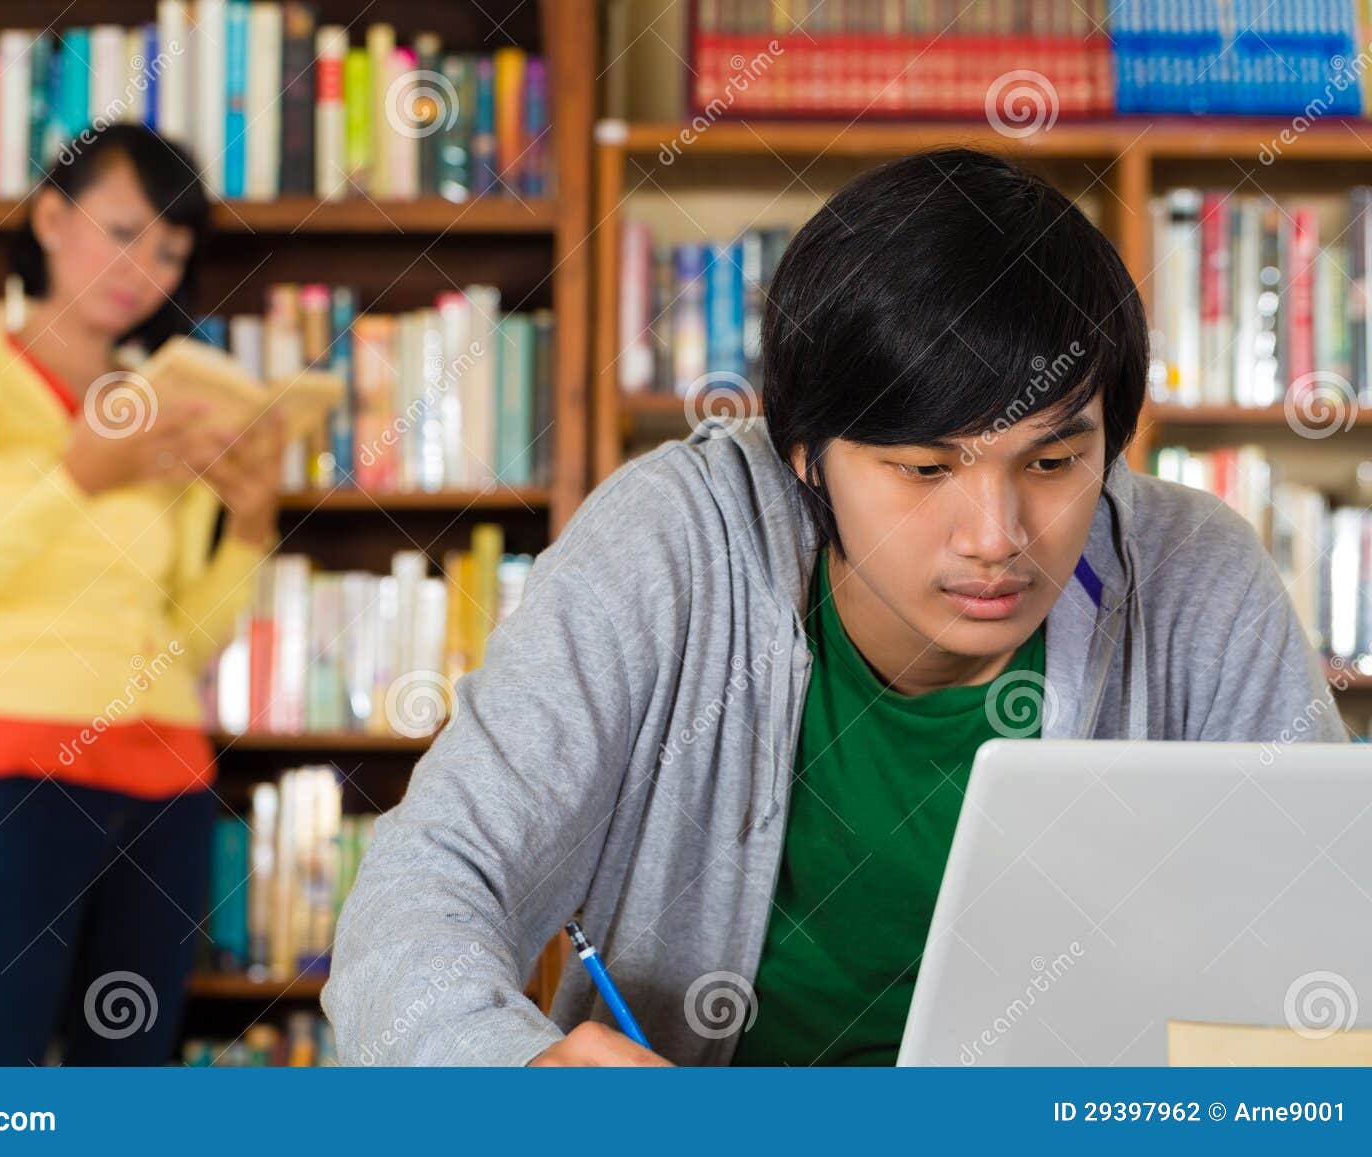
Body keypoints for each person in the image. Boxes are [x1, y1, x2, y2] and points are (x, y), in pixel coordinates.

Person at [321, 147, 1350, 1067]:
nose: (995, 533)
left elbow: (1320, 935)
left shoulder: (1195, 574)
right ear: (805, 454)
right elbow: (418, 898)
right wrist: (515, 1072)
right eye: (920, 467)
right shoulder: (673, 544)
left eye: (1053, 459)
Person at [0, 124, 282, 1065]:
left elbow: (180, 639)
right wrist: (74, 481)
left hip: (168, 778)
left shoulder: (166, 398)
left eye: (172, 249)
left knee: (127, 1087)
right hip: (10, 774)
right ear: (52, 217)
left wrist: (252, 530)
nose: (148, 266)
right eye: (125, 231)